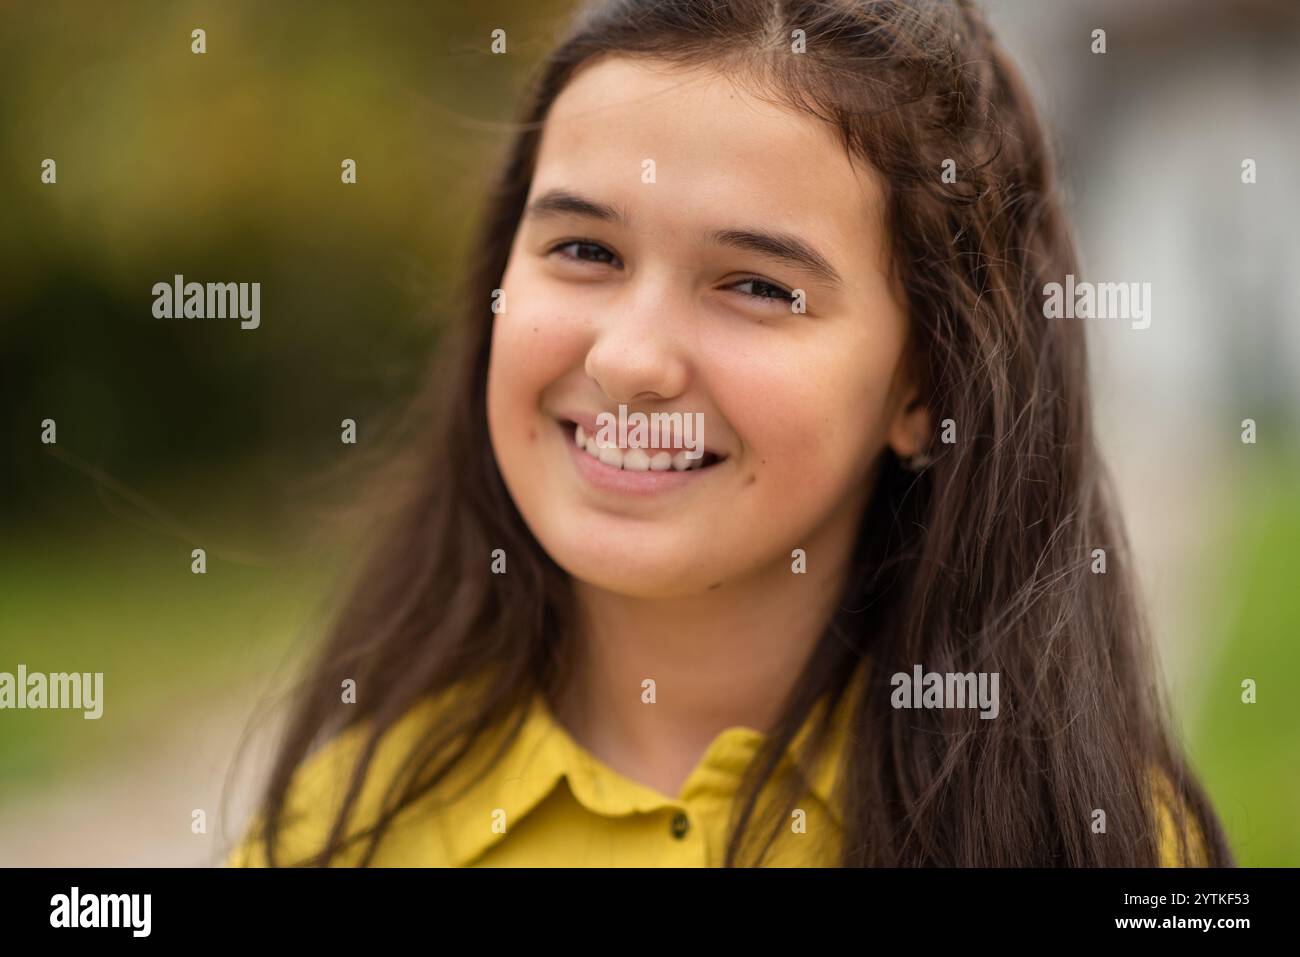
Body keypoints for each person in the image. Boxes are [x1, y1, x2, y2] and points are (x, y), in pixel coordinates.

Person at [229, 0, 1230, 867]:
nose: (629, 359)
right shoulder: (338, 830)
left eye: (755, 285)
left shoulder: (1087, 837)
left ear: (922, 385)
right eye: (584, 248)